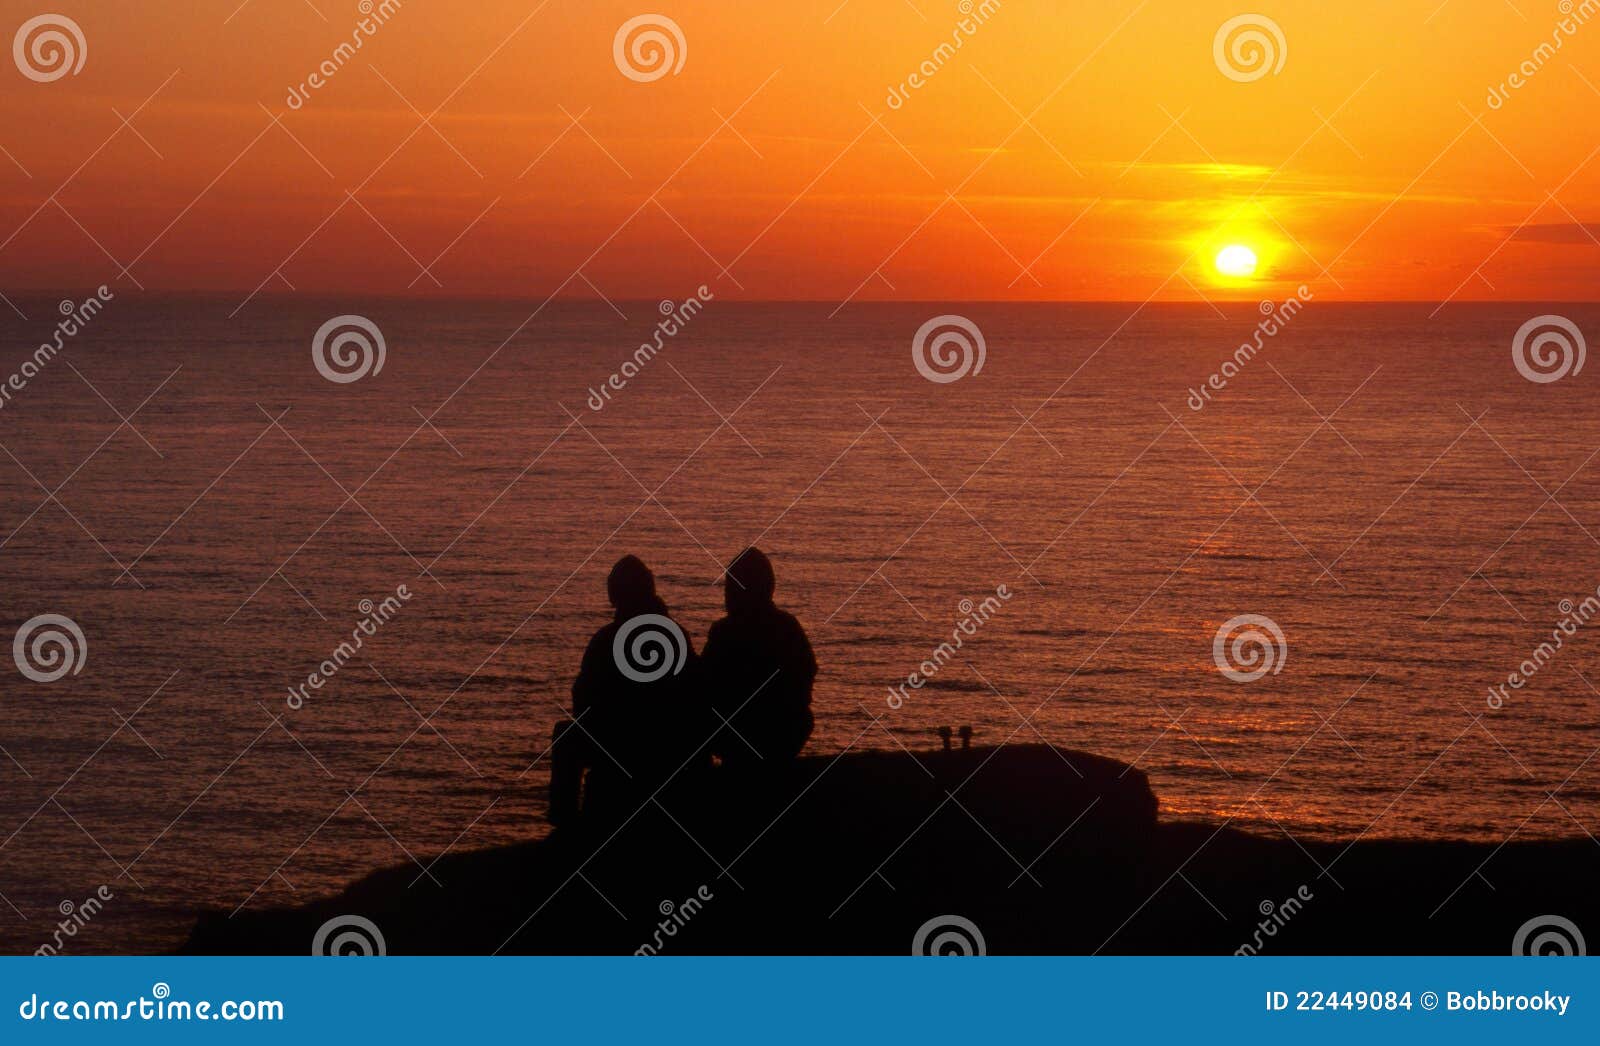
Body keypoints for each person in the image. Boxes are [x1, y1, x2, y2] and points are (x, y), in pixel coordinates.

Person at [553, 556, 704, 822]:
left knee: (565, 735)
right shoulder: (676, 635)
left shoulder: (605, 641)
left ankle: (563, 821)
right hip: (671, 748)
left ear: (615, 596)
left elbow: (582, 702)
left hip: (623, 750)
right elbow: (698, 691)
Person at [701, 547, 817, 767]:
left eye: (730, 588)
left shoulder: (725, 633)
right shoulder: (788, 627)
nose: (726, 594)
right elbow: (806, 676)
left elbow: (703, 686)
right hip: (783, 737)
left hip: (740, 739)